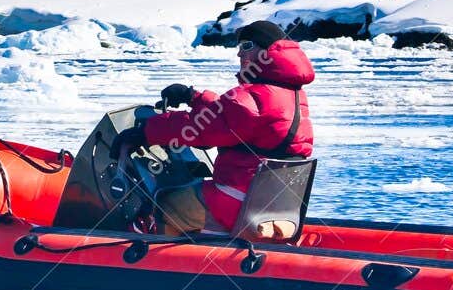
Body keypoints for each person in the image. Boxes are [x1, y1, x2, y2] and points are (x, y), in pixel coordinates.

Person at [115, 20, 315, 238]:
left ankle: (162, 265)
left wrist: (145, 132)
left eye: (247, 46)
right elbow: (228, 118)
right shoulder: (291, 95)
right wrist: (193, 97)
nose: (240, 54)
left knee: (166, 203)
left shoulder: (253, 95)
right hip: (275, 204)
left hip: (238, 200)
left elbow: (201, 128)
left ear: (267, 52)